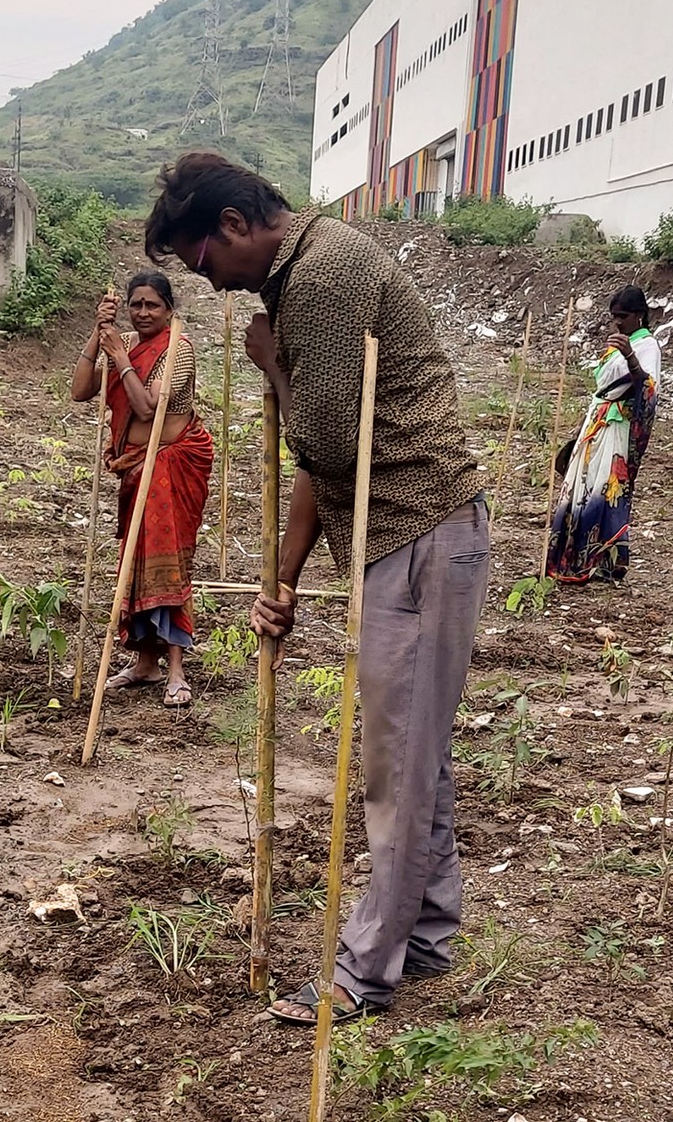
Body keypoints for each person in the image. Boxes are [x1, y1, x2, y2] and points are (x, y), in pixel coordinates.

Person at [144, 152, 491, 1025]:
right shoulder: (299, 279)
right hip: (398, 537)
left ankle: (366, 970)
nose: (213, 287)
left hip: (418, 532)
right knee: (412, 754)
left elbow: (329, 442)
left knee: (396, 768)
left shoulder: (326, 276)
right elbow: (324, 464)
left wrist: (273, 367)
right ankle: (430, 933)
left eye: (203, 265)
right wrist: (287, 580)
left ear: (232, 227)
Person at [69, 271, 214, 708]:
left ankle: (175, 669)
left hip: (171, 461)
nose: (143, 312)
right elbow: (80, 390)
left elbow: (148, 408)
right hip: (136, 468)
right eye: (136, 305)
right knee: (135, 562)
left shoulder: (177, 351)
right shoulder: (126, 344)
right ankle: (145, 663)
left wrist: (121, 356)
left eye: (152, 305)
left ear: (169, 309)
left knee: (167, 561)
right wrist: (100, 337)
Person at [546, 285, 661, 585]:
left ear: (639, 315)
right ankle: (572, 558)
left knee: (607, 490)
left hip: (618, 427)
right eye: (614, 318)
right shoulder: (616, 346)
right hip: (597, 423)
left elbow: (647, 388)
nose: (618, 323)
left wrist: (630, 355)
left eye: (623, 316)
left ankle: (605, 563)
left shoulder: (647, 346)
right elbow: (602, 388)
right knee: (580, 488)